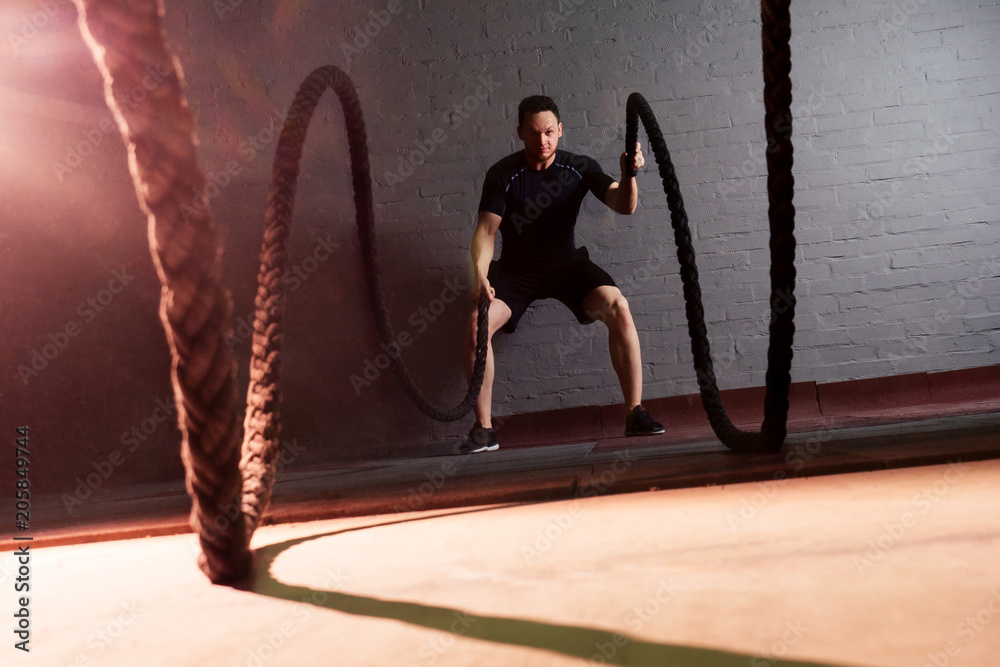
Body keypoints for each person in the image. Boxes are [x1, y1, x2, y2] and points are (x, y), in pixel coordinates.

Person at [460, 95, 664, 453]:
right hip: (516, 273)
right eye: (535, 133)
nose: (543, 141)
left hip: (565, 264)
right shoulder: (503, 175)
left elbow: (624, 205)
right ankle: (483, 430)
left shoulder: (578, 167)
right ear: (520, 132)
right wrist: (480, 273)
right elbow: (486, 233)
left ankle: (635, 412)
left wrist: (628, 175)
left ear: (560, 131)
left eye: (550, 132)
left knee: (618, 306)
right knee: (477, 324)